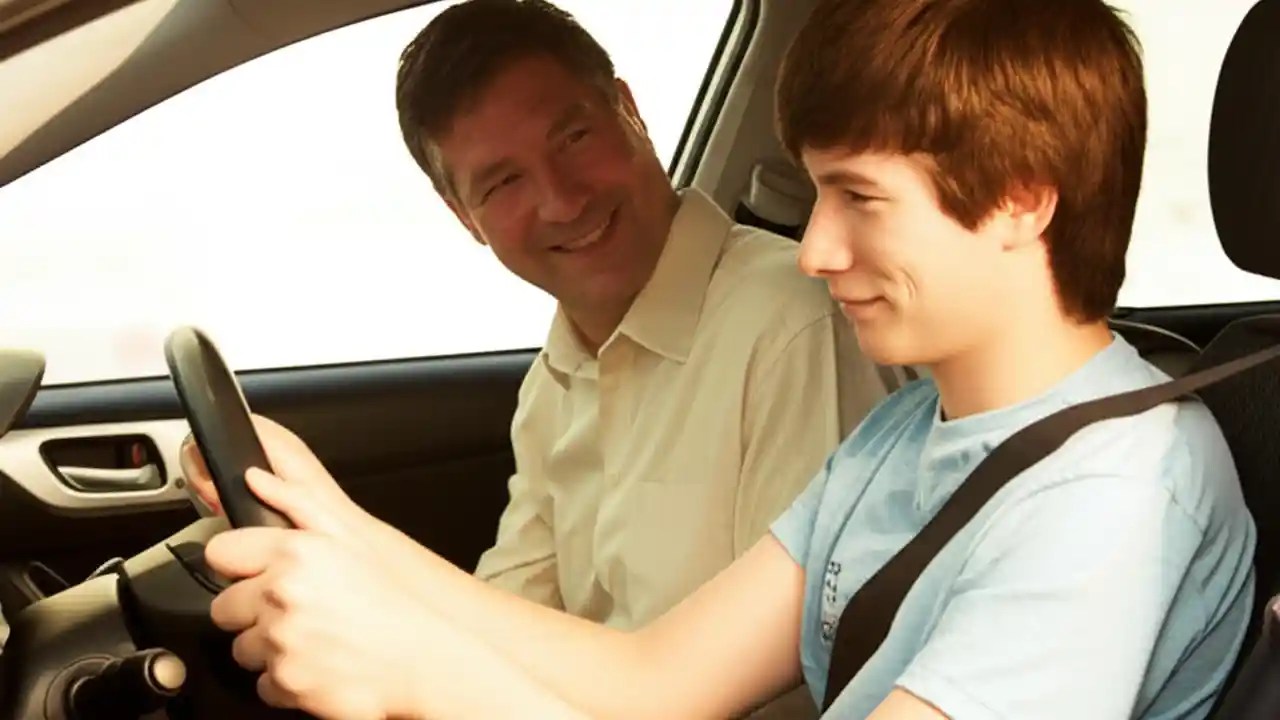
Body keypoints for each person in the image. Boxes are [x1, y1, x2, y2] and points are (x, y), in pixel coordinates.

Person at [189, 0, 1258, 717]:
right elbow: (653, 683)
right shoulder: (907, 431)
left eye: (860, 198)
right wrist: (341, 530)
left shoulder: (1115, 496)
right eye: (820, 193)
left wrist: (418, 677)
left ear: (1021, 199)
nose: (816, 250)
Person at [187, 0, 884, 644]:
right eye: (504, 182)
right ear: (466, 218)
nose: (561, 200)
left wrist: (349, 548)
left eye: (573, 138)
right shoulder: (557, 376)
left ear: (629, 111)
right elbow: (509, 616)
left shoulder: (792, 325)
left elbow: (796, 674)